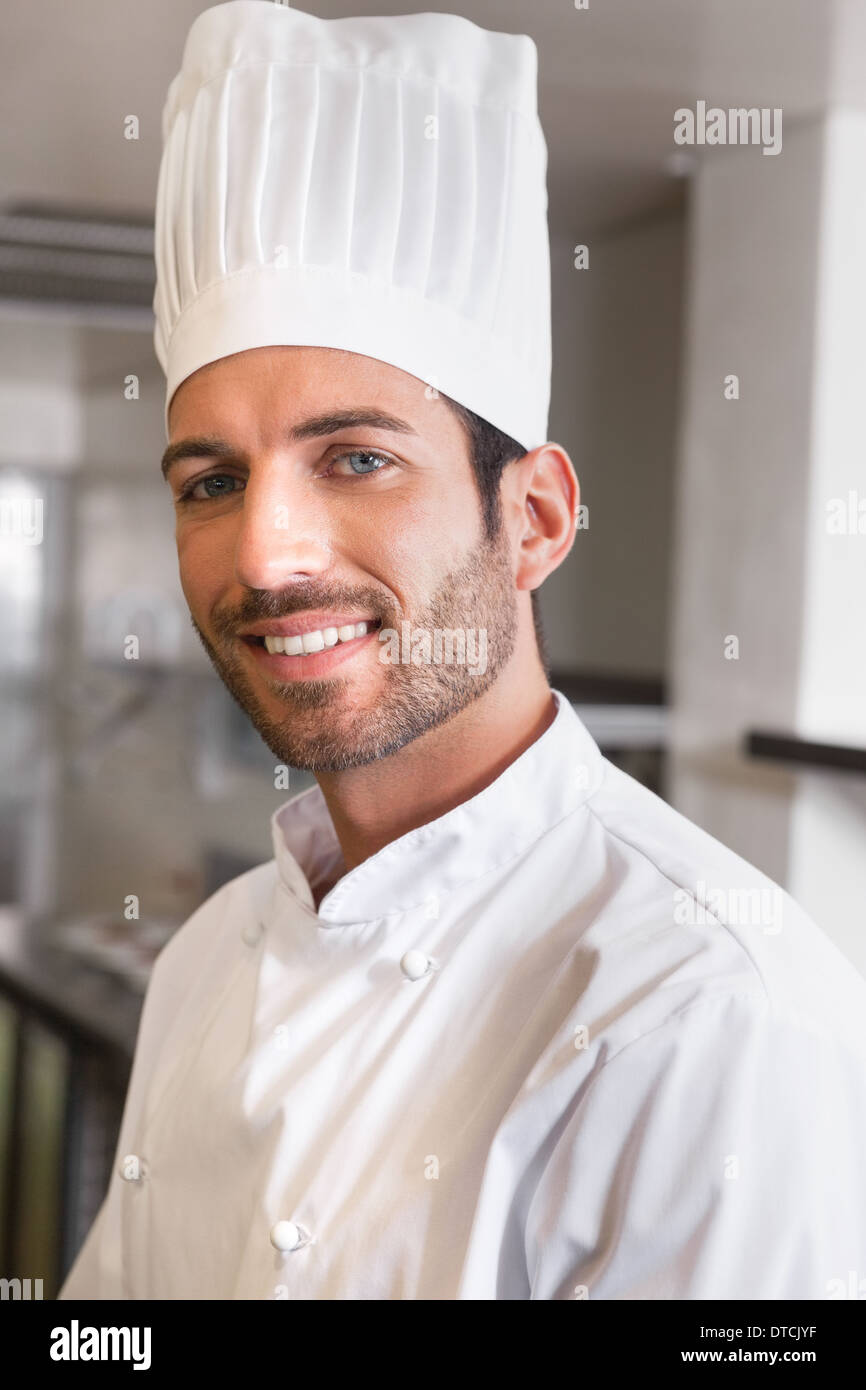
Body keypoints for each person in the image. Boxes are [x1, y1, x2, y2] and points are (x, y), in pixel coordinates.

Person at [60, 1, 866, 1300]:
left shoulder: (709, 1013)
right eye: (210, 480)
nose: (267, 555)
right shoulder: (208, 957)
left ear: (535, 516)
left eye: (357, 458)